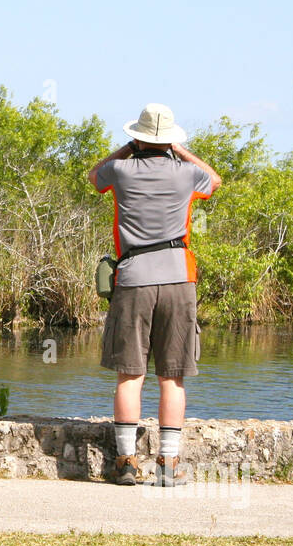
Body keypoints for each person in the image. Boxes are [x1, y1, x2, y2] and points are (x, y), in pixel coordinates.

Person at [88, 103, 222, 487]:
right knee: (172, 377)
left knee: (130, 375)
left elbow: (94, 176)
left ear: (138, 137)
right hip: (179, 279)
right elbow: (214, 180)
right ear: (170, 141)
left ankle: (126, 462)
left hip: (133, 278)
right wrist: (181, 152)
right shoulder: (186, 174)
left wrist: (127, 149)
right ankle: (168, 464)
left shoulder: (121, 170)